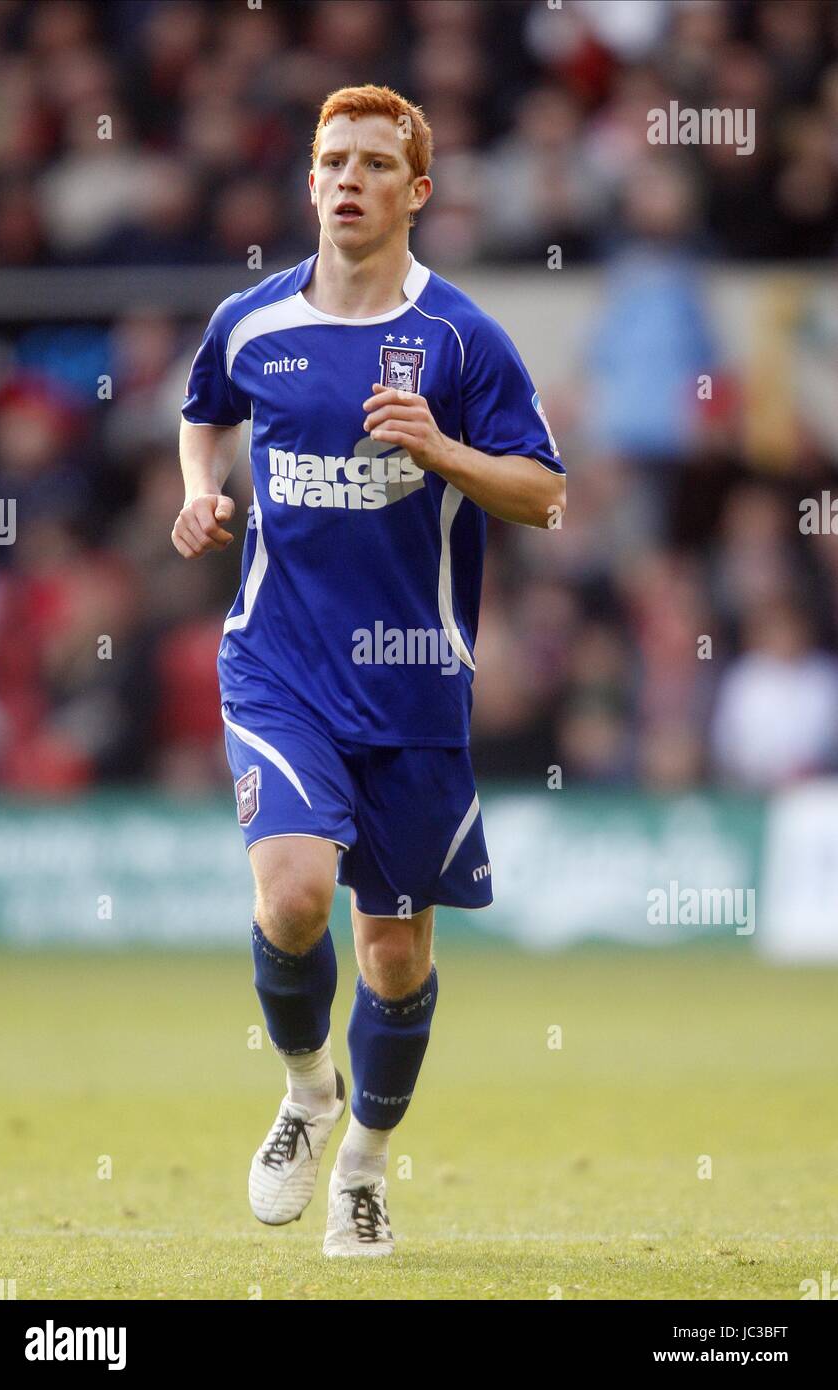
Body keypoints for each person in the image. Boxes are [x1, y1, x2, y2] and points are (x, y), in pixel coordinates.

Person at [174, 84, 566, 1258]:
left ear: (417, 191)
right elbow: (204, 413)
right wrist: (201, 490)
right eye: (331, 160)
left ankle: (366, 1162)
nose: (348, 178)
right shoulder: (248, 323)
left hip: (409, 687)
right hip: (279, 667)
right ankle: (304, 1088)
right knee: (292, 896)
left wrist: (439, 448)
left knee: (394, 958)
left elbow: (544, 493)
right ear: (308, 182)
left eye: (374, 164)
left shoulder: (460, 340)